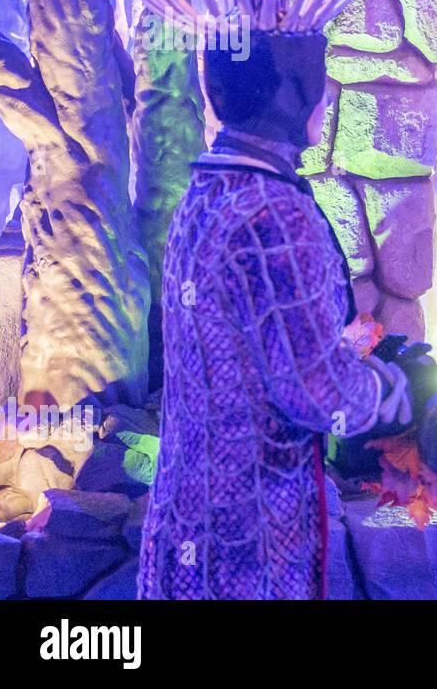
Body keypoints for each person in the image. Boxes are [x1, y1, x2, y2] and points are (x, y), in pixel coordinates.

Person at [139, 31, 412, 600]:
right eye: (318, 75)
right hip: (252, 528)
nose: (326, 95)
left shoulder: (204, 190)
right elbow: (315, 391)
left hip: (185, 506)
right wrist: (394, 392)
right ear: (291, 93)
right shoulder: (278, 212)